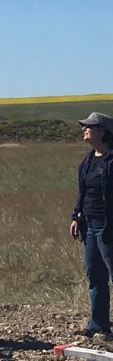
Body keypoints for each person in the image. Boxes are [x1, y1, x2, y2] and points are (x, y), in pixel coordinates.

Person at [71, 111, 113, 339]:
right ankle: (98, 324)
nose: (84, 129)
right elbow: (83, 193)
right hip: (90, 226)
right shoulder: (87, 161)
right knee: (95, 275)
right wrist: (77, 216)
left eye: (89, 126)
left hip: (110, 227)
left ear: (103, 131)